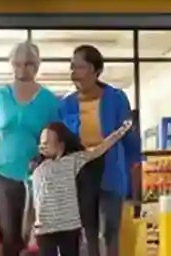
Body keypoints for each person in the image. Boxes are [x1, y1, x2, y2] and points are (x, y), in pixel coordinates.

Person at [58, 45, 144, 256]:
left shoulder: (116, 98)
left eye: (80, 67)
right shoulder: (65, 105)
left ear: (96, 70)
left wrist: (136, 184)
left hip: (111, 172)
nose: (74, 72)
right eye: (72, 67)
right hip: (80, 175)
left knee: (109, 231)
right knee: (87, 234)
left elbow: (130, 141)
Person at [0, 41, 59, 256]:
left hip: (35, 176)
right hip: (2, 171)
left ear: (38, 65)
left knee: (30, 239)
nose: (23, 69)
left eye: (29, 64)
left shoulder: (49, 101)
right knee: (7, 236)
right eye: (18, 64)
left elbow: (55, 141)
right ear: (11, 64)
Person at [24, 120, 135, 256]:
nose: (43, 146)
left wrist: (120, 132)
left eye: (47, 142)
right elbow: (32, 200)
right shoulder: (36, 168)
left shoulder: (72, 161)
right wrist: (28, 229)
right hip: (44, 229)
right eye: (41, 142)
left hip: (69, 227)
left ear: (60, 145)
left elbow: (99, 150)